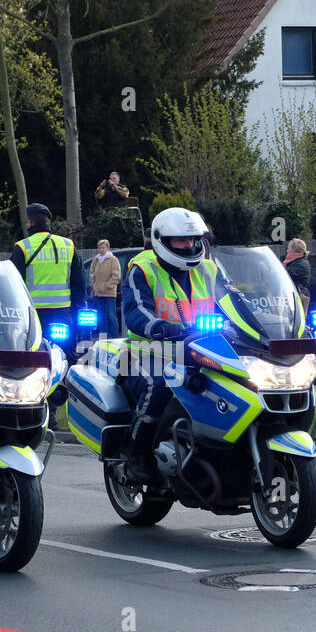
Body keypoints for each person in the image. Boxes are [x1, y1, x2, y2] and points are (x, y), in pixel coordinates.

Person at [121, 207, 219, 484]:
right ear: (161, 240)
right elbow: (136, 312)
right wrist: (164, 328)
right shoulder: (142, 269)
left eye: (192, 240)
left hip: (197, 351)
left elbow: (232, 302)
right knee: (158, 385)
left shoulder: (208, 269)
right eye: (180, 241)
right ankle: (135, 455)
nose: (188, 245)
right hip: (143, 353)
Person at [11, 202, 84, 347]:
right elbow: (79, 281)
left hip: (33, 313)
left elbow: (13, 283)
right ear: (48, 221)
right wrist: (77, 311)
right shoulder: (68, 245)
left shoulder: (23, 247)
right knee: (64, 353)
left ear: (29, 222)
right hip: (63, 312)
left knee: (33, 354)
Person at [89, 238, 122, 336]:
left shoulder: (113, 260)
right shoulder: (96, 259)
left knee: (111, 315)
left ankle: (115, 336)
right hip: (98, 293)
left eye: (103, 247)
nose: (101, 249)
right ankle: (104, 337)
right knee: (101, 316)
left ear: (107, 248)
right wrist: (94, 286)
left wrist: (107, 286)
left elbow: (116, 276)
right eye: (99, 248)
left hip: (110, 293)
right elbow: (91, 274)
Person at [283, 238, 311, 311]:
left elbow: (285, 276)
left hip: (298, 297)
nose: (287, 250)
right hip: (293, 297)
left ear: (294, 250)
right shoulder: (293, 262)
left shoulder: (301, 264)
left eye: (288, 248)